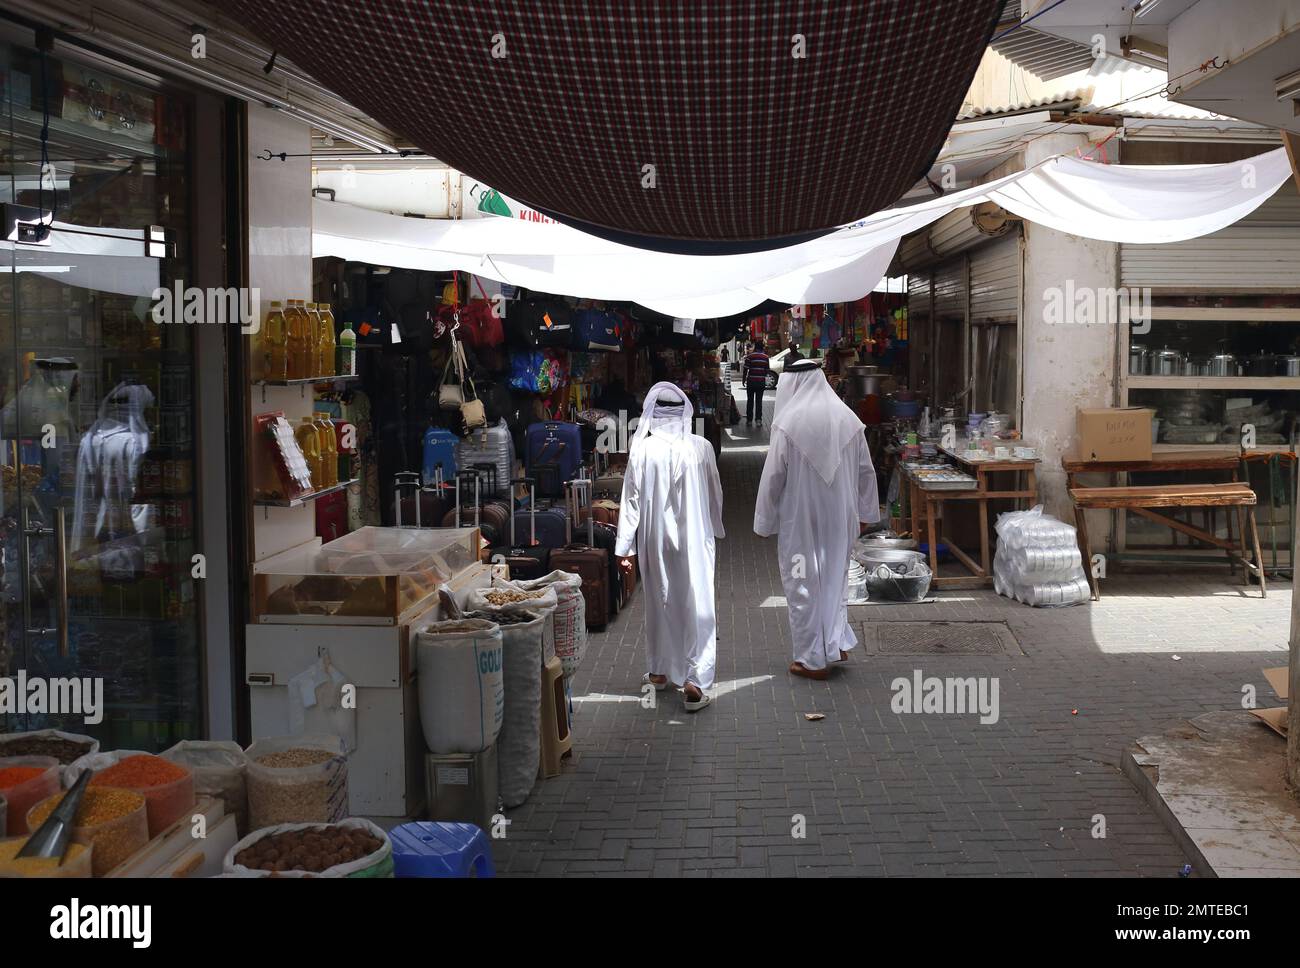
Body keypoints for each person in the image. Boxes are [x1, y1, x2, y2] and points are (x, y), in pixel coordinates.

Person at [753, 359, 880, 680]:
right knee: (835, 581)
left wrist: (764, 522)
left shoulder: (788, 423)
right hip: (841, 519)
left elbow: (773, 478)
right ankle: (834, 643)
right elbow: (867, 472)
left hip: (800, 522)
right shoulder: (848, 418)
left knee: (802, 583)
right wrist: (865, 515)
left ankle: (812, 660)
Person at [615, 382, 725, 711]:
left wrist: (625, 549)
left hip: (652, 538)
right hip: (694, 537)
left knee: (658, 600)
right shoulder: (701, 447)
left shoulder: (642, 450)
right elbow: (713, 494)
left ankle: (659, 671)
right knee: (697, 602)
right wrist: (714, 527)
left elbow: (630, 501)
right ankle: (696, 679)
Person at [741, 340, 770, 426]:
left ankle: (749, 420)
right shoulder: (766, 357)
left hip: (751, 382)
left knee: (750, 401)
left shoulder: (750, 356)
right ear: (762, 347)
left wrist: (743, 380)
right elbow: (767, 371)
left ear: (755, 347)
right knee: (759, 401)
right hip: (760, 382)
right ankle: (758, 420)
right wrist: (761, 375)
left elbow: (745, 369)